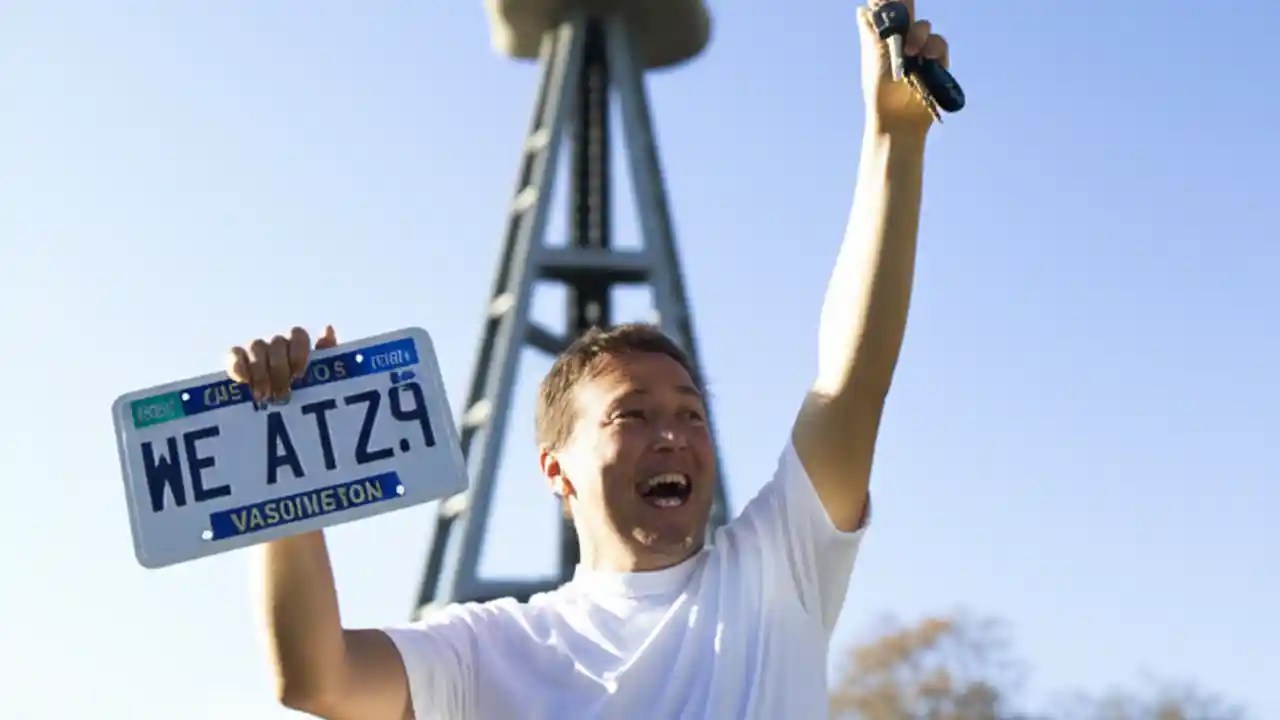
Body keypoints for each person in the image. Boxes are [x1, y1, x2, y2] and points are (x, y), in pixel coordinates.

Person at [228, 3, 949, 718]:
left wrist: (893, 140)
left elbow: (852, 382)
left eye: (691, 415)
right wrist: (287, 465)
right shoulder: (486, 650)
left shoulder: (775, 575)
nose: (673, 435)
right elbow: (318, 680)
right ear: (556, 469)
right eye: (632, 415)